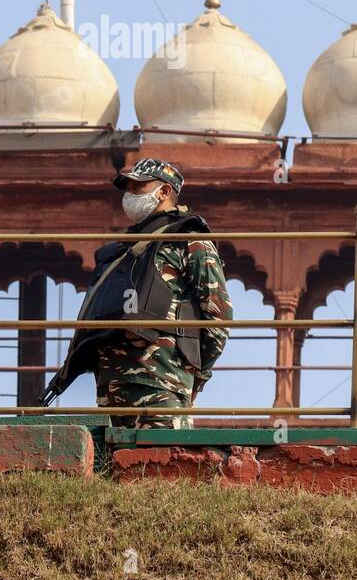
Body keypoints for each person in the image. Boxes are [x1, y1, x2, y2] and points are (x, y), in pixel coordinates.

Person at [42, 158, 232, 428]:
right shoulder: (123, 249)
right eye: (128, 188)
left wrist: (196, 374)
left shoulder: (189, 237)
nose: (130, 195)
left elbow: (218, 316)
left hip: (161, 383)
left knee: (162, 463)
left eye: (139, 187)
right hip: (111, 386)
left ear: (164, 192)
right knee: (117, 464)